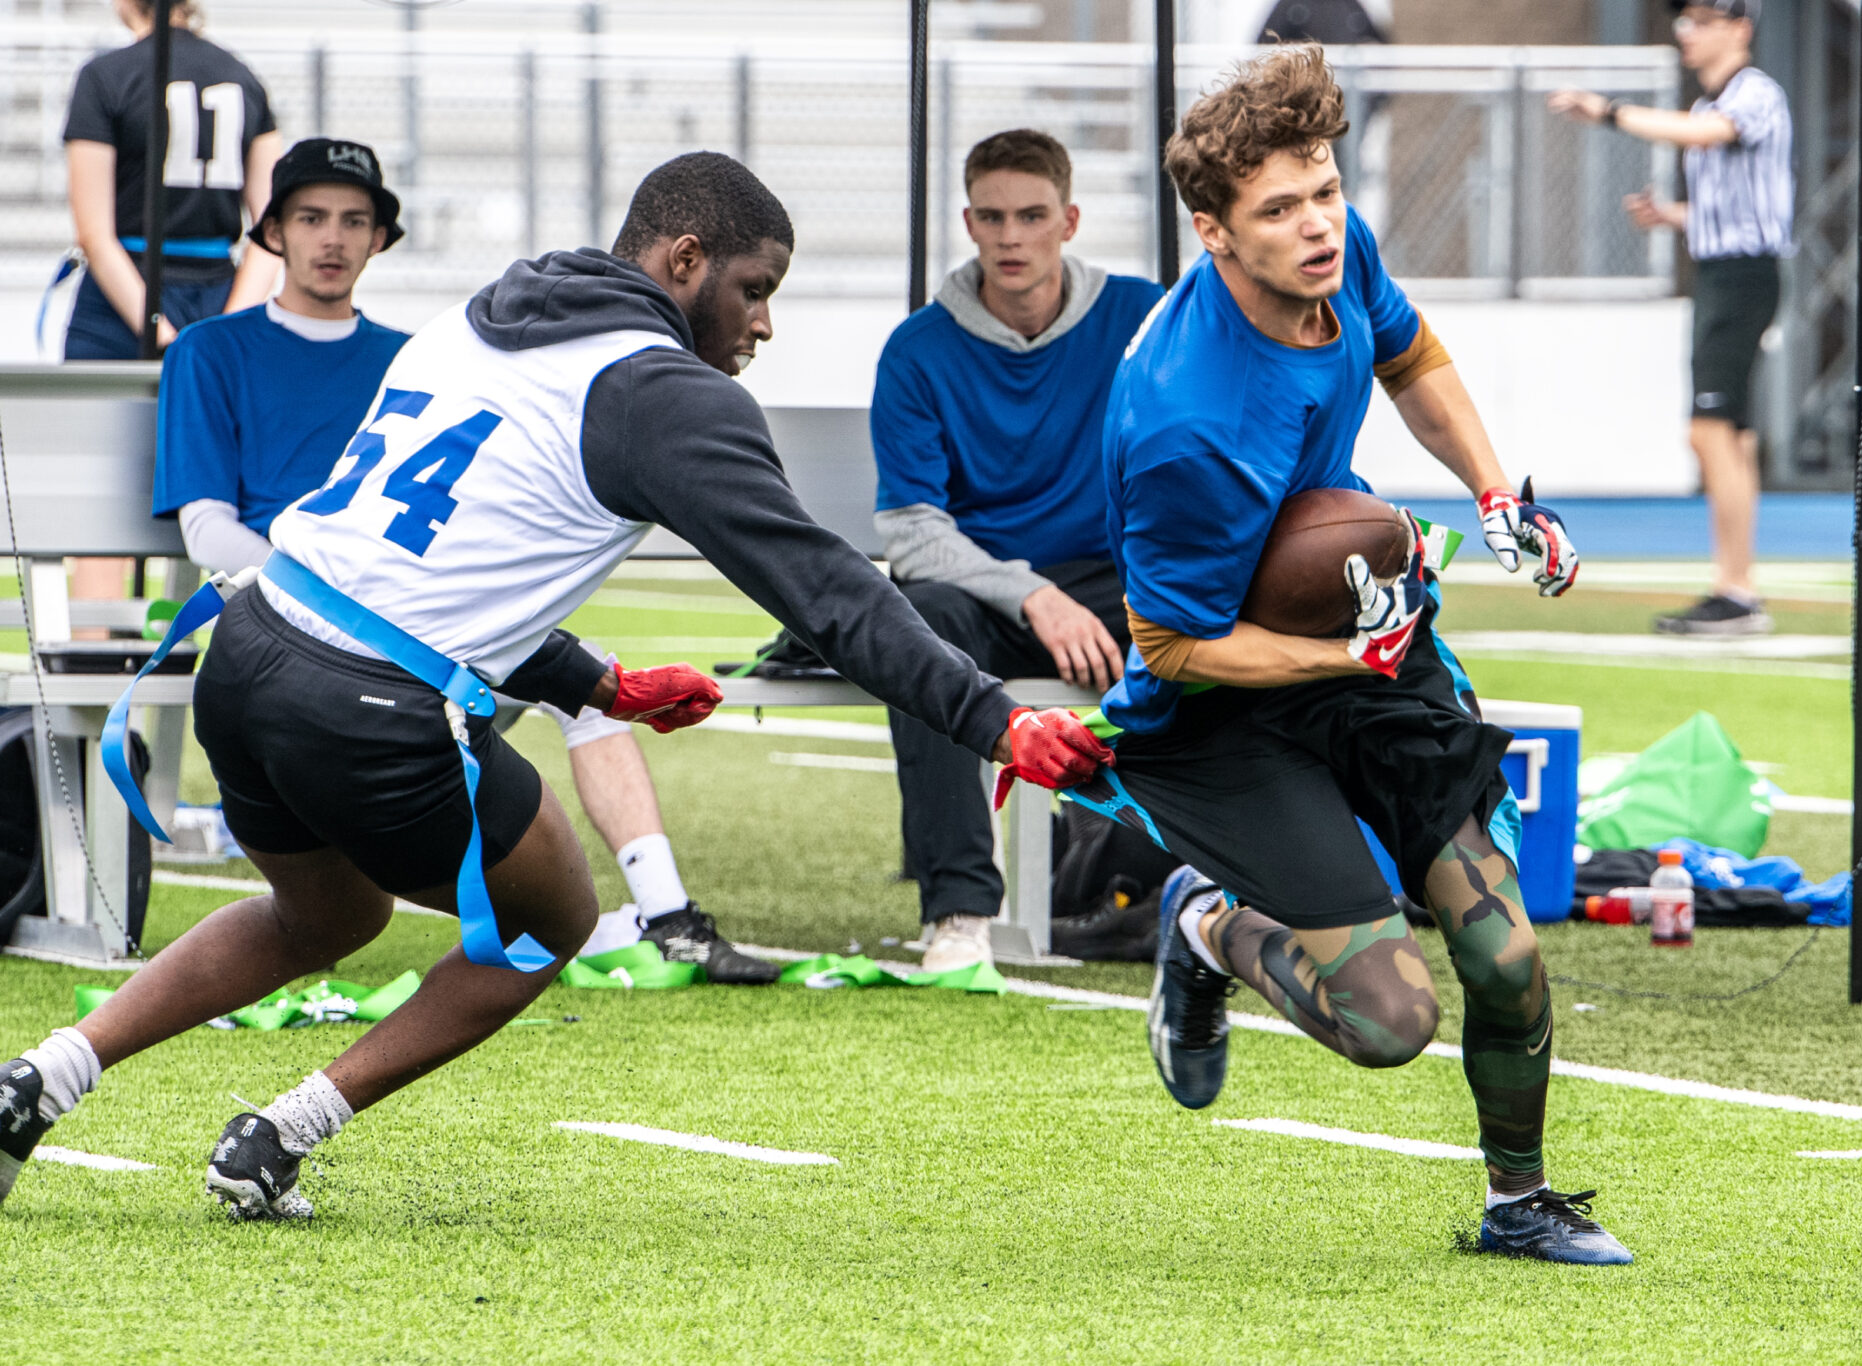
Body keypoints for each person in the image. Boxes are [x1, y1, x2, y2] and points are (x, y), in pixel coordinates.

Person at [0, 152, 1111, 1219]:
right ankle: (285, 1130)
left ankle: (42, 1075)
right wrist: (994, 719)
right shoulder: (666, 395)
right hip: (366, 704)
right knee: (552, 917)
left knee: (329, 910)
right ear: (683, 261)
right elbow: (833, 597)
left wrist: (598, 680)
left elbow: (424, 563)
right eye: (756, 290)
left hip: (248, 648)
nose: (764, 324)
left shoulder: (486, 310)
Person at [1092, 46, 1630, 1264]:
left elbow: (1410, 355)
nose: (1315, 225)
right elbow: (1170, 645)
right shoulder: (1187, 421)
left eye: (1323, 189)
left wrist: (1494, 497)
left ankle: (1518, 1201)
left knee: (1501, 949)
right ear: (1213, 232)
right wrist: (1350, 659)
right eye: (1275, 210)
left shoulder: (1341, 251)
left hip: (1352, 629)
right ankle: (1202, 931)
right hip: (1217, 709)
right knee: (1388, 1019)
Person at [150, 137, 774, 983]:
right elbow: (204, 528)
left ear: (380, 240)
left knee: (589, 685)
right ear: (271, 233)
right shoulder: (208, 350)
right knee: (391, 897)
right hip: (291, 618)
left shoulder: (431, 343)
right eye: (310, 217)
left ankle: (666, 913)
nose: (332, 239)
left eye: (354, 220)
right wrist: (330, 602)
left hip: (429, 622)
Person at [870, 129, 1163, 972]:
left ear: (1068, 221)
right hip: (987, 593)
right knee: (917, 622)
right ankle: (960, 913)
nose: (1010, 237)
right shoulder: (919, 351)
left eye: (1031, 216)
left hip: (1118, 583)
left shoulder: (1143, 320)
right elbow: (915, 534)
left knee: (1224, 612)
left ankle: (1230, 879)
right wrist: (1034, 594)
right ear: (967, 221)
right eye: (992, 217)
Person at [1549, 0, 1792, 636]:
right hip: (1721, 273)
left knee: (1711, 432)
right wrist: (1674, 216)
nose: (1687, 33)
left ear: (1739, 29)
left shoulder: (1753, 95)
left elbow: (1712, 140)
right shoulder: (1708, 104)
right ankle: (1737, 586)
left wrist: (1609, 112)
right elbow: (1730, 196)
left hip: (1743, 276)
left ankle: (1735, 589)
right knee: (1731, 435)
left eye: (1701, 21)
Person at [62, 0, 281, 626]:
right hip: (217, 292)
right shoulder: (243, 77)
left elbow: (95, 233)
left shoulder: (105, 76)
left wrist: (155, 325)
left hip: (119, 302)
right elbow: (271, 231)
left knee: (96, 496)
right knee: (206, 490)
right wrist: (223, 329)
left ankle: (95, 651)